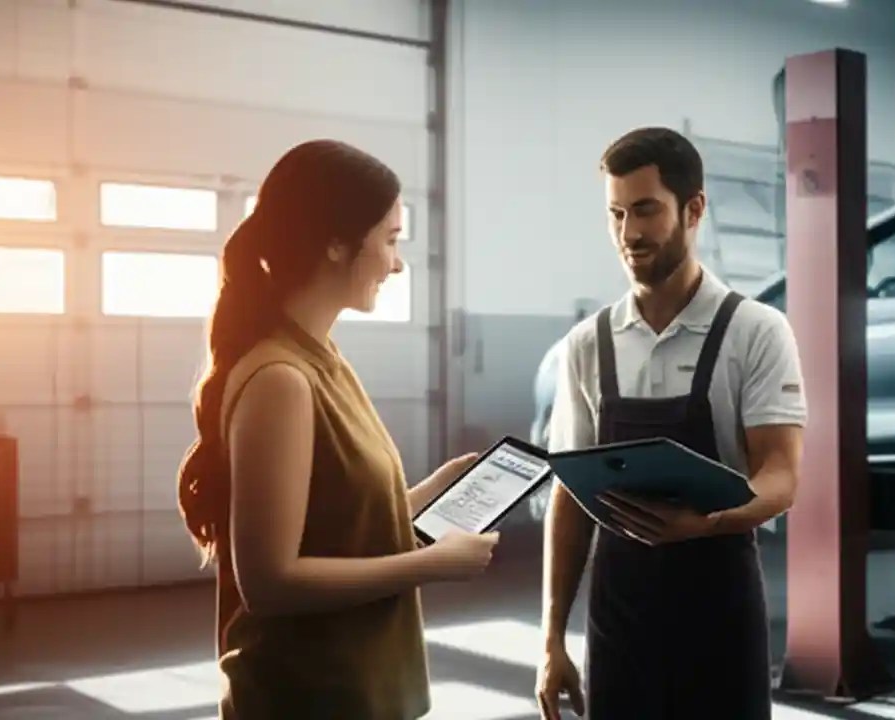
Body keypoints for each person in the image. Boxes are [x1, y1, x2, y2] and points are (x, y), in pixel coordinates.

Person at [175, 139, 501, 719]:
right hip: (306, 700)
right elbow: (270, 583)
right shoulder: (281, 379)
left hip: (357, 694)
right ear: (334, 244)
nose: (397, 263)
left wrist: (433, 492)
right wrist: (435, 564)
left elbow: (335, 526)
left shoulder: (323, 358)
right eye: (391, 240)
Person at [535, 127, 807, 720]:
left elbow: (781, 476)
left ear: (693, 209)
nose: (629, 233)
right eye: (616, 213)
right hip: (618, 621)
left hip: (720, 616)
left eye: (646, 210)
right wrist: (552, 639)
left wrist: (704, 522)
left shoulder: (756, 332)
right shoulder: (587, 345)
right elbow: (568, 497)